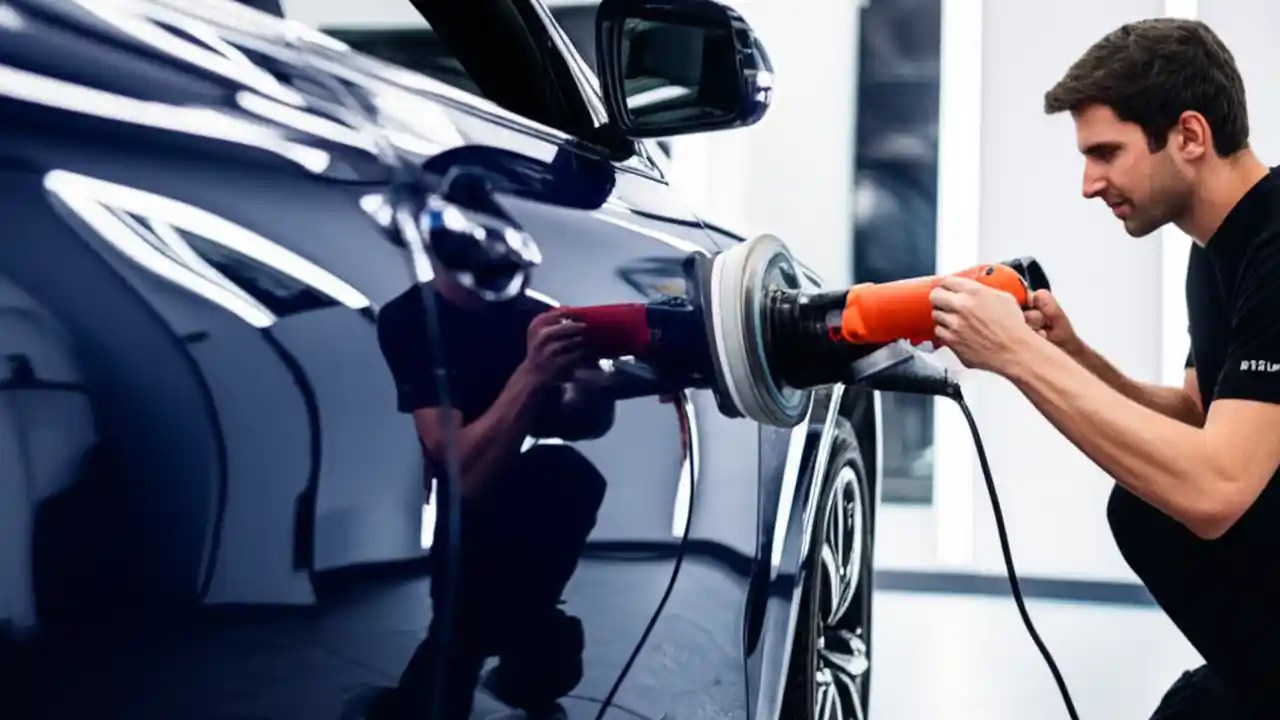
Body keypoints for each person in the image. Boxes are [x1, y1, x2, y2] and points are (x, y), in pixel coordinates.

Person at [927, 18, 1280, 719]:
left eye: (1106, 153)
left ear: (1189, 136)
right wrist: (1073, 357)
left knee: (1152, 509)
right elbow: (1201, 412)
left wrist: (1018, 356)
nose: (1090, 184)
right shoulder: (1216, 253)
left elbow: (1219, 488)